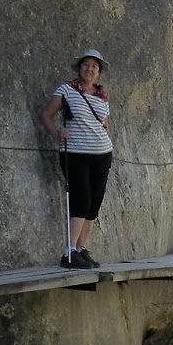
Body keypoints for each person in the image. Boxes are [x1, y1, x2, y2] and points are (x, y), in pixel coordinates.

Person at [41, 50, 113, 269]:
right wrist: (56, 133)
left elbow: (104, 123)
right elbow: (46, 115)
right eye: (86, 65)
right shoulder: (66, 91)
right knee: (81, 199)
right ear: (79, 68)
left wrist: (106, 139)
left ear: (98, 72)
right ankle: (69, 252)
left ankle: (81, 248)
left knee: (94, 203)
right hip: (75, 153)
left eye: (94, 66)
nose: (89, 69)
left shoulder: (102, 97)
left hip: (102, 155)